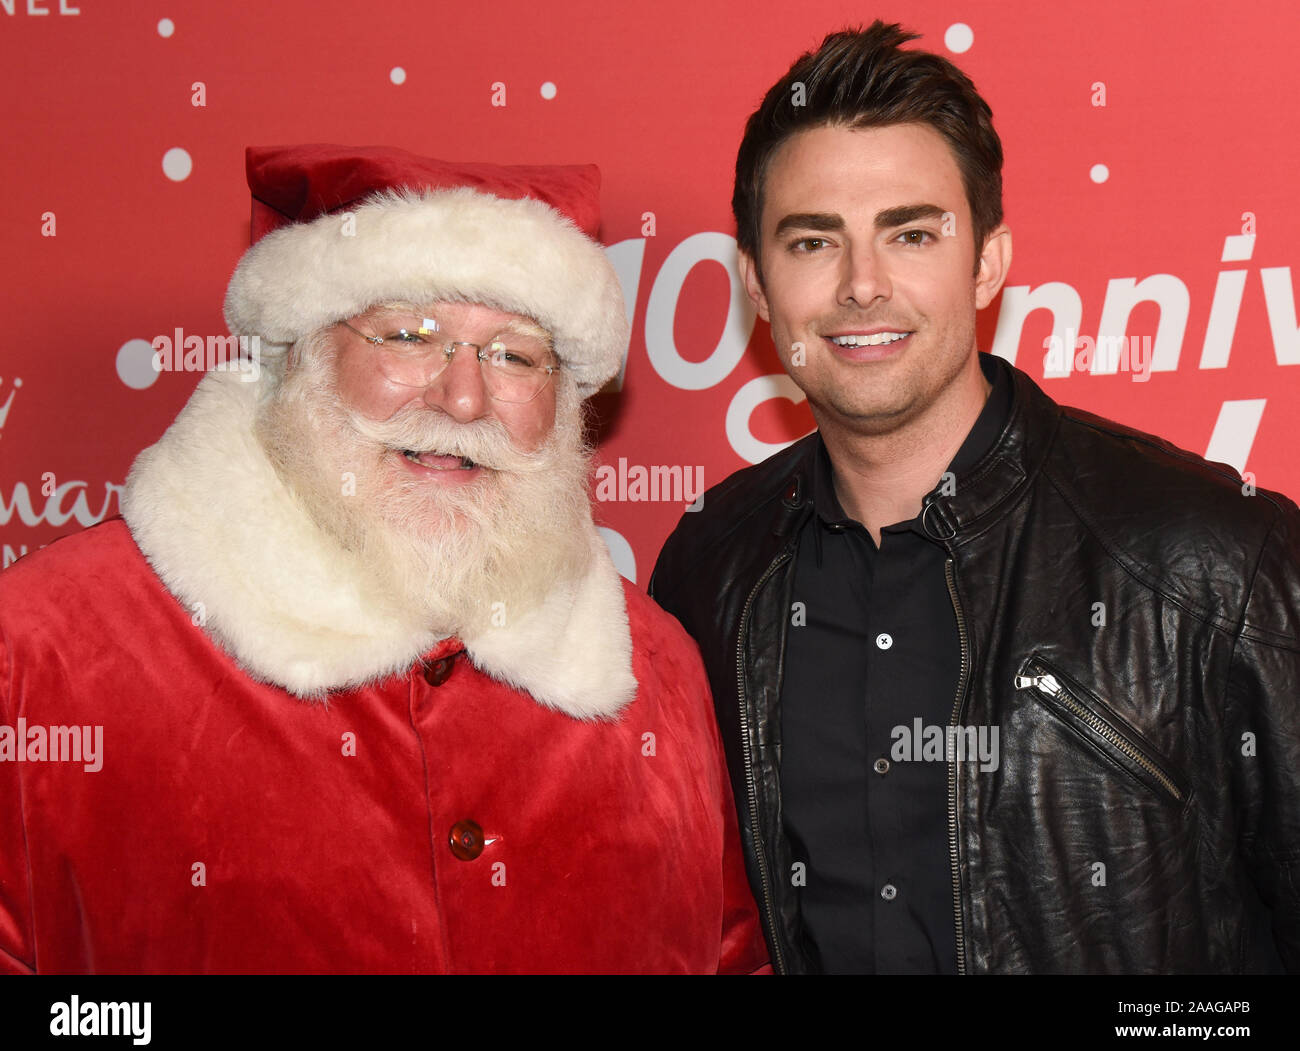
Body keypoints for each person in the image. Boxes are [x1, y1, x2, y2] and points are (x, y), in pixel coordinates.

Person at [0, 144, 768, 975]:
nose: (463, 398)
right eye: (409, 336)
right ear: (300, 353)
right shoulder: (46, 653)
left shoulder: (655, 669)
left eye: (513, 354)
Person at [650, 22, 1300, 974]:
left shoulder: (1212, 560)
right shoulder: (710, 571)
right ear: (757, 282)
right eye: (812, 241)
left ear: (988, 261)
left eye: (910, 234)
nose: (861, 286)